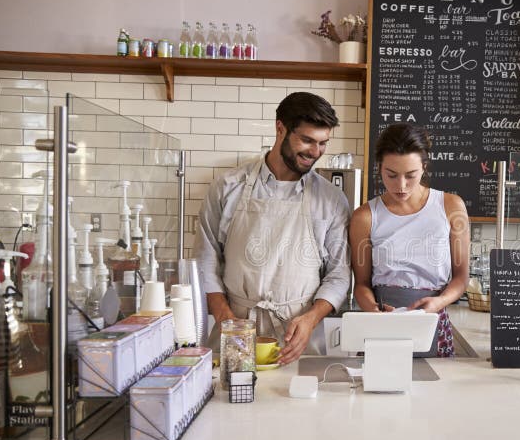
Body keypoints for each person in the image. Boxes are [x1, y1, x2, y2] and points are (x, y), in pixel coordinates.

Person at [194, 92, 350, 365]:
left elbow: (338, 275)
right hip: (236, 331)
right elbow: (205, 261)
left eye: (323, 143)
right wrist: (226, 320)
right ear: (280, 128)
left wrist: (311, 319)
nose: (315, 152)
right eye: (307, 140)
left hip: (299, 339)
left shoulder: (331, 199)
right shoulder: (227, 187)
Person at [349, 123, 470, 357]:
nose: (401, 185)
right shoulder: (364, 217)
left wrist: (438, 303)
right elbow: (361, 284)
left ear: (423, 167)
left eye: (410, 175)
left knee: (434, 391)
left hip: (432, 321)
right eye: (391, 175)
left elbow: (461, 278)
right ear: (380, 168)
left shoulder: (451, 206)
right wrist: (373, 311)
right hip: (382, 325)